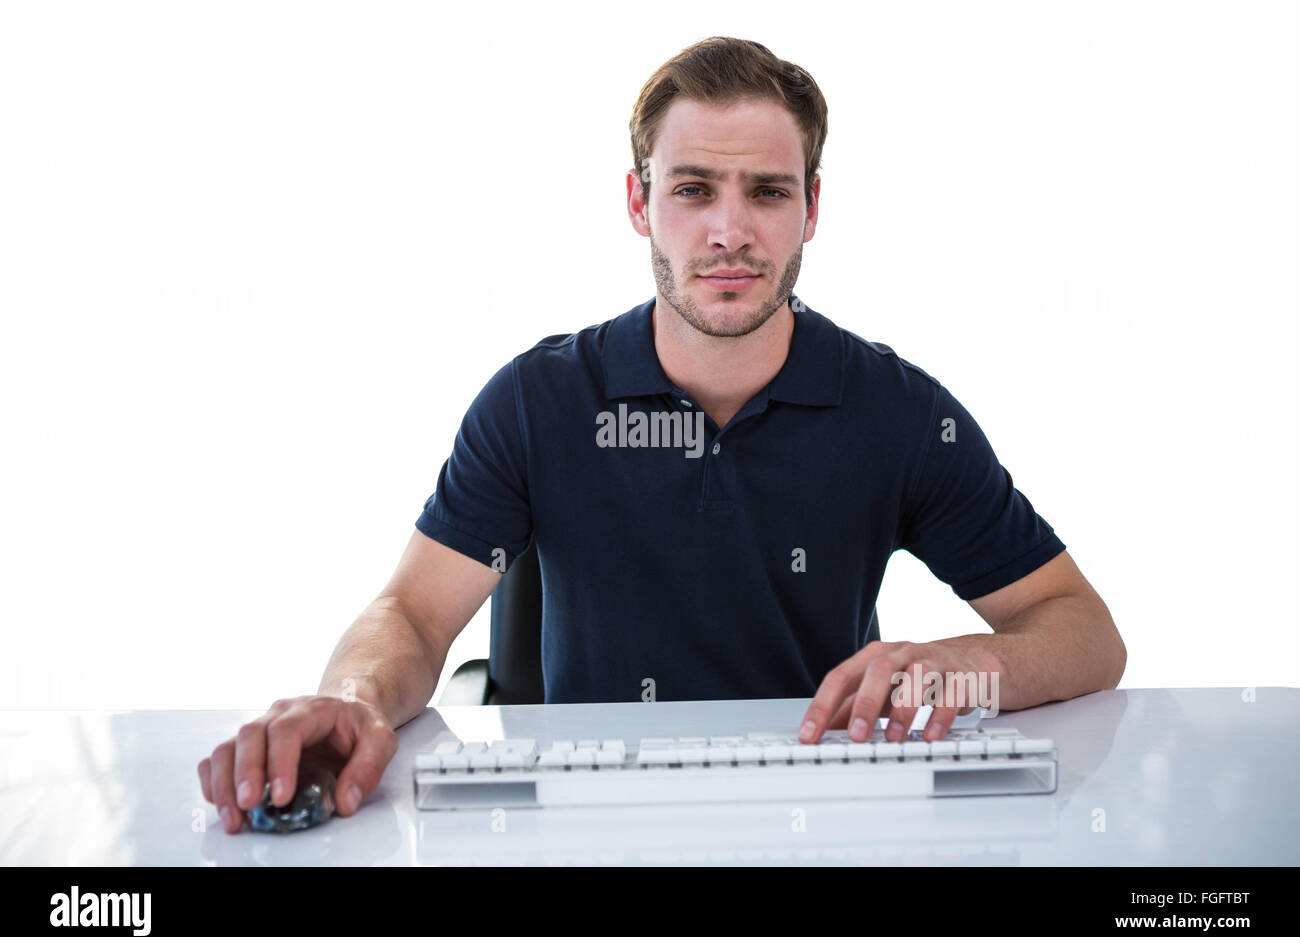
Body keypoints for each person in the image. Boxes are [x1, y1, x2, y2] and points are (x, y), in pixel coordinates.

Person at [198, 36, 1125, 834]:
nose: (731, 231)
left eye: (767, 192)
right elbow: (411, 616)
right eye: (693, 190)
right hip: (584, 821)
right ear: (640, 205)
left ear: (812, 210)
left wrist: (969, 666)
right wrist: (350, 701)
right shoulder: (538, 401)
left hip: (815, 818)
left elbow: (1084, 633)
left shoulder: (900, 411)